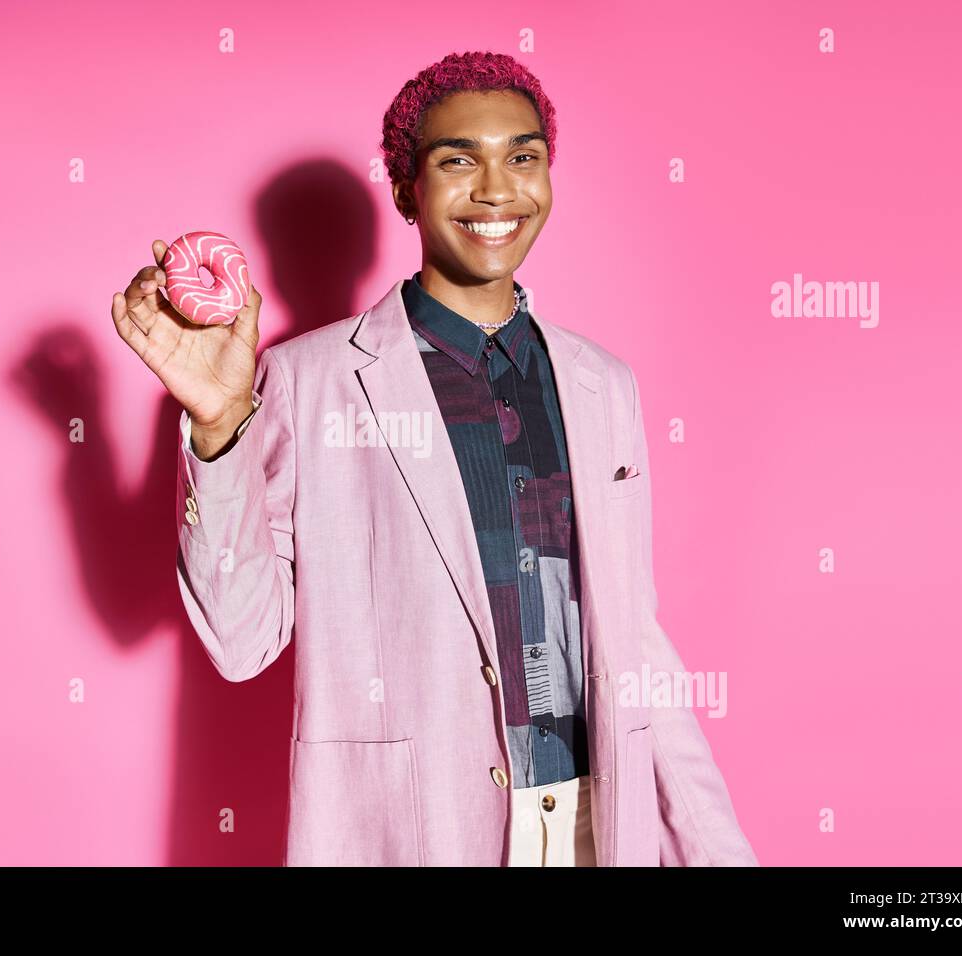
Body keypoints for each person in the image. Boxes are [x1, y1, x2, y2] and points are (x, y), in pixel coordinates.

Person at [112, 50, 758, 867]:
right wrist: (219, 425)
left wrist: (713, 847)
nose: (497, 189)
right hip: (411, 831)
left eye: (523, 156)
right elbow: (242, 643)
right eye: (459, 160)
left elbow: (634, 638)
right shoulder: (306, 381)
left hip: (601, 820)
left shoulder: (605, 385)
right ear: (406, 186)